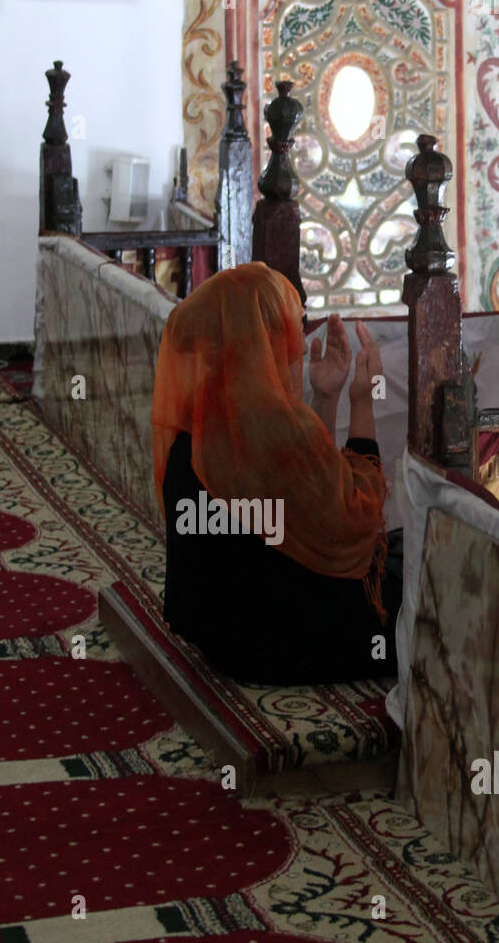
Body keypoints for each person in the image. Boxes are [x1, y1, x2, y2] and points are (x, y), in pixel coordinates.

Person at [151, 262, 401, 684]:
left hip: (221, 638)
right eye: (290, 330)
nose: (298, 346)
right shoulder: (271, 431)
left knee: (399, 550)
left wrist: (326, 395)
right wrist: (361, 401)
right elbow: (358, 519)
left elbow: (307, 500)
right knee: (424, 582)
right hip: (279, 647)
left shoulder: (197, 425)